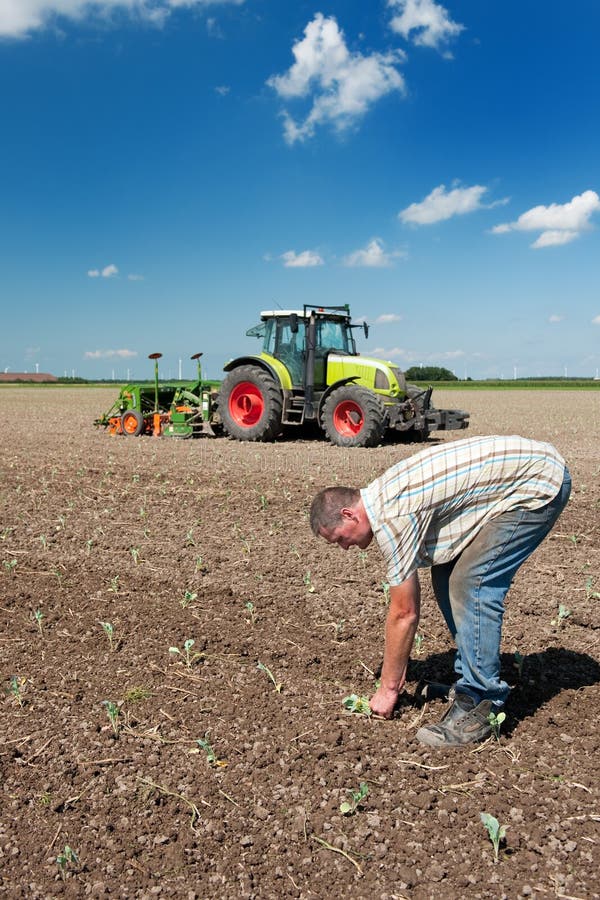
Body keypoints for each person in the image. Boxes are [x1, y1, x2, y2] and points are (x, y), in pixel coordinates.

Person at [310, 434, 571, 748]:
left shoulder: (391, 516)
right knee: (446, 576)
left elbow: (404, 613)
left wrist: (388, 689)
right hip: (522, 474)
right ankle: (470, 681)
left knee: (473, 581)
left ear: (349, 515)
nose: (344, 548)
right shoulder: (381, 498)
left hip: (537, 483)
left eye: (339, 538)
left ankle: (482, 700)